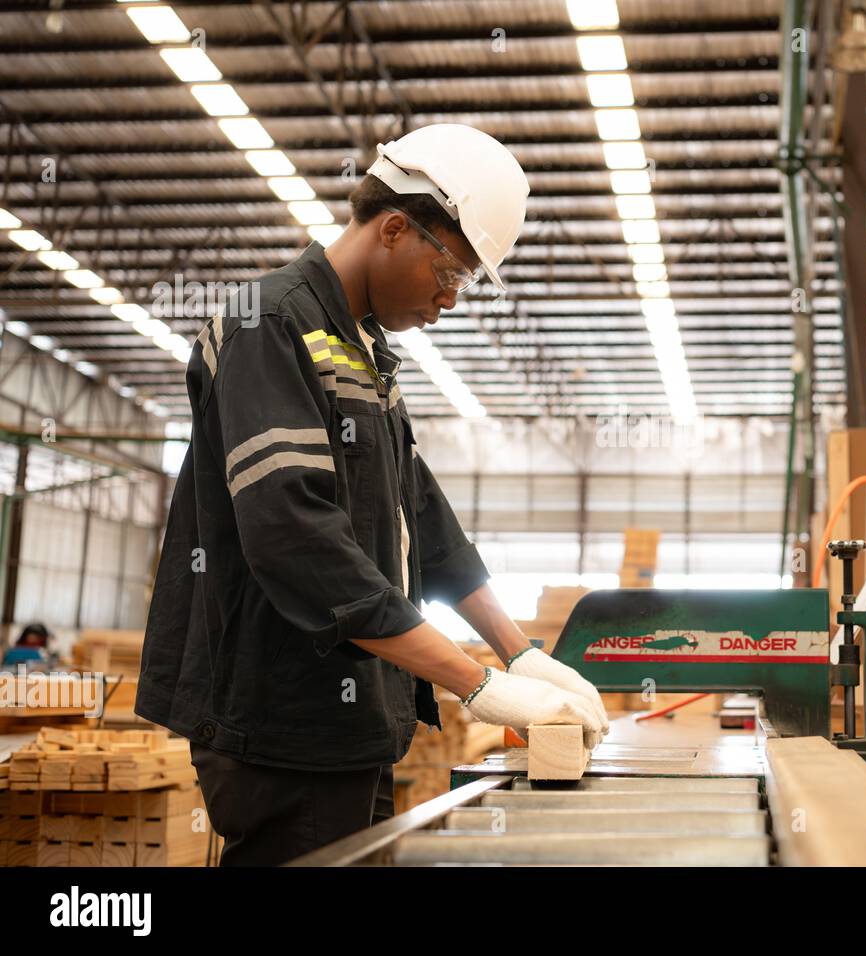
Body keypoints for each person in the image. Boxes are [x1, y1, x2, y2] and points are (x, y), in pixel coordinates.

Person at [136, 124, 608, 866]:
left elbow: (421, 515)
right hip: (282, 716)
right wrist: (477, 685)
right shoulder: (269, 323)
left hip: (353, 715)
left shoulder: (364, 351)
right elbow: (295, 538)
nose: (449, 301)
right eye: (449, 274)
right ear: (394, 228)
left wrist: (521, 657)